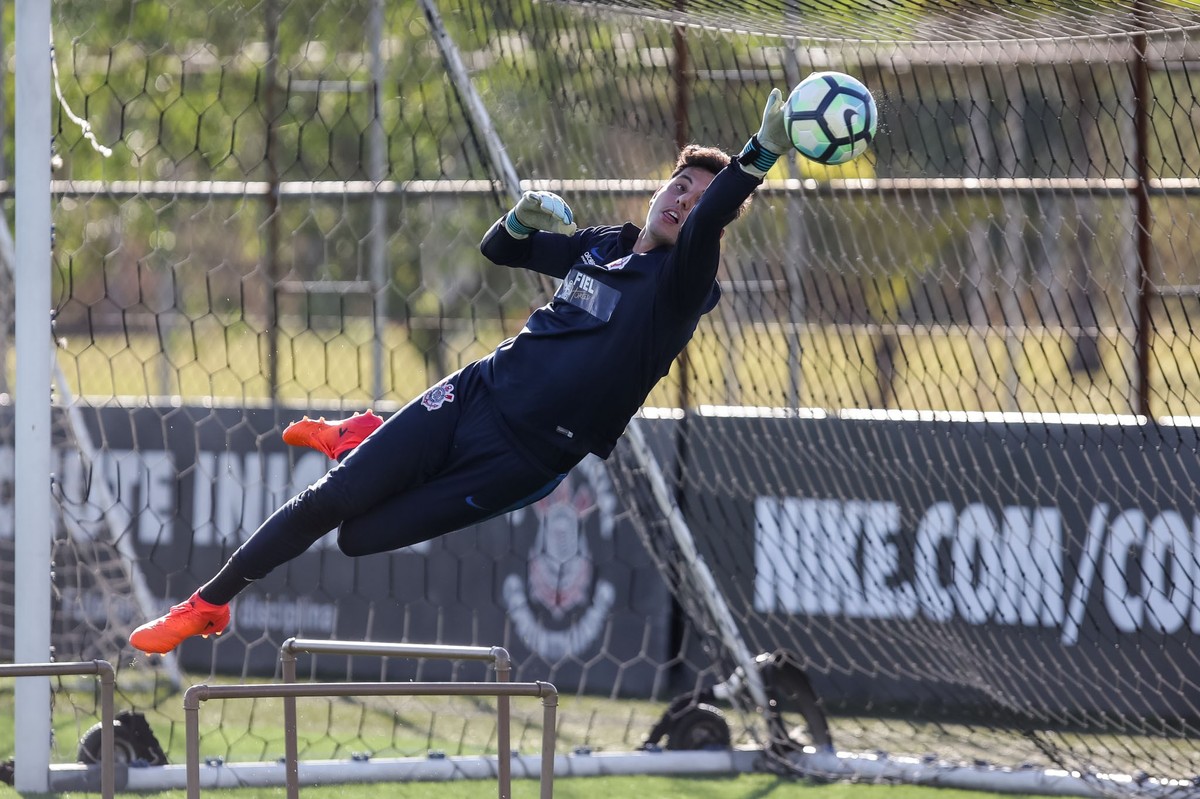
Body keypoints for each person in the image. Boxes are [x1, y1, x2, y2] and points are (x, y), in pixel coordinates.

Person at [129, 88, 793, 655]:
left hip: (522, 459)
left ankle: (364, 438)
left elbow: (706, 225)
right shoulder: (603, 246)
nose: (684, 201)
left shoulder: (682, 284)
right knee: (328, 500)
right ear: (659, 189)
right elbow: (501, 249)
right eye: (679, 186)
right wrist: (520, 218)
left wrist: (754, 159)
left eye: (702, 200)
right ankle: (206, 604)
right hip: (476, 390)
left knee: (361, 536)